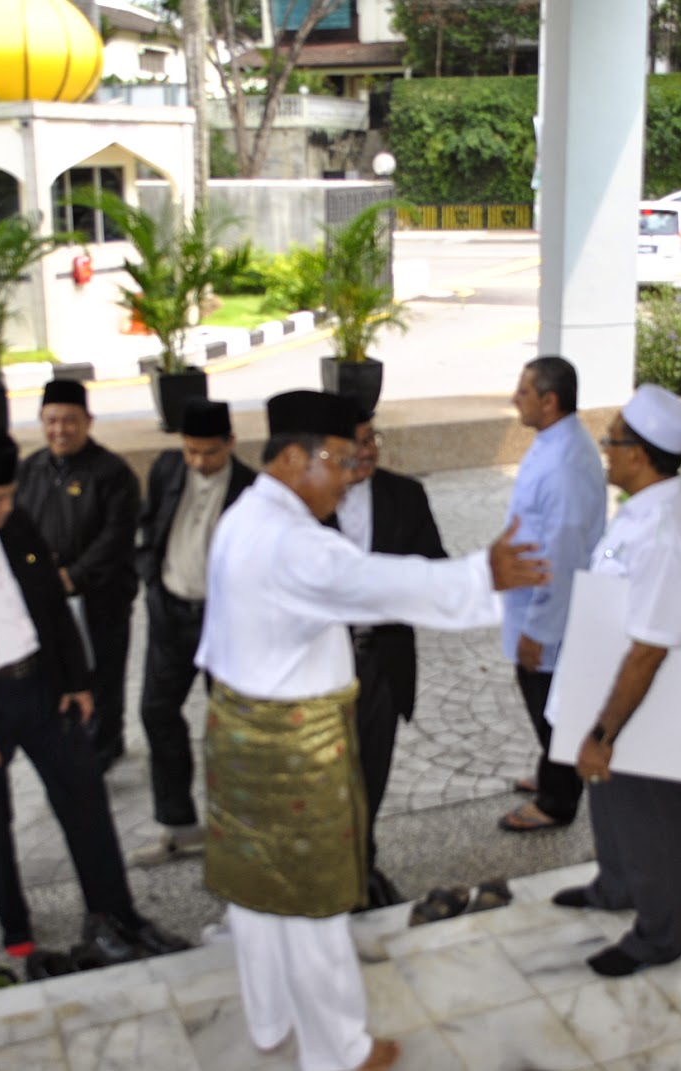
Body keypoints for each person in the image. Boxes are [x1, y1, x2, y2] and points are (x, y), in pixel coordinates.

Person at [197, 390, 548, 1071]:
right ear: (295, 458)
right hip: (293, 744)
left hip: (239, 730)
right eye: (341, 462)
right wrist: (482, 575)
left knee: (257, 886)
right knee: (318, 902)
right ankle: (339, 1050)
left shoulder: (246, 513)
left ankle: (270, 1021)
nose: (351, 476)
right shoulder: (291, 539)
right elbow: (371, 582)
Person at [0, 424, 184, 961]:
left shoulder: (17, 526)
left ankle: (114, 915)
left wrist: (76, 681)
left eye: (9, 497)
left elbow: (52, 606)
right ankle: (17, 932)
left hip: (42, 690)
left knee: (85, 801)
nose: (6, 507)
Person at [550, 387, 681, 977]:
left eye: (612, 440)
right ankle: (615, 885)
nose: (605, 450)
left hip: (644, 703)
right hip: (614, 687)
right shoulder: (645, 508)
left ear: (640, 454)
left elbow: (648, 651)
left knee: (650, 820)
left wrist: (602, 730)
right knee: (611, 801)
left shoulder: (663, 530)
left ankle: (659, 935)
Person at [329, 413, 447, 908]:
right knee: (328, 777)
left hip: (382, 659)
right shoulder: (306, 503)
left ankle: (362, 869)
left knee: (371, 772)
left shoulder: (405, 495)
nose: (370, 450)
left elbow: (435, 567)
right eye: (357, 441)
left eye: (373, 438)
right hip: (323, 666)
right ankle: (328, 874)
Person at [132, 398, 256, 865]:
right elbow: (149, 526)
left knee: (228, 726)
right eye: (190, 452)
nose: (199, 462)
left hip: (224, 623)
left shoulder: (251, 488)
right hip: (169, 612)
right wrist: (150, 577)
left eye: (208, 452)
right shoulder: (167, 469)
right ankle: (179, 826)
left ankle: (235, 827)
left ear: (230, 443)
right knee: (156, 712)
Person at [497, 355, 607, 833]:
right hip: (533, 600)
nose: (513, 399)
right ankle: (551, 772)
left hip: (550, 610)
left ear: (550, 400)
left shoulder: (565, 463)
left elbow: (561, 554)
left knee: (552, 705)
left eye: (523, 392)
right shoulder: (552, 442)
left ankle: (559, 798)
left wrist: (538, 629)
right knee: (545, 701)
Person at [15, 379, 141, 769]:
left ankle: (105, 745)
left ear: (88, 421)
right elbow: (16, 527)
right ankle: (67, 739)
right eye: (52, 421)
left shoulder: (112, 472)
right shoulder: (31, 469)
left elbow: (117, 536)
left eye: (70, 421)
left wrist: (75, 576)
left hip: (99, 595)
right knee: (58, 671)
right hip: (47, 597)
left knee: (103, 671)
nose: (60, 430)